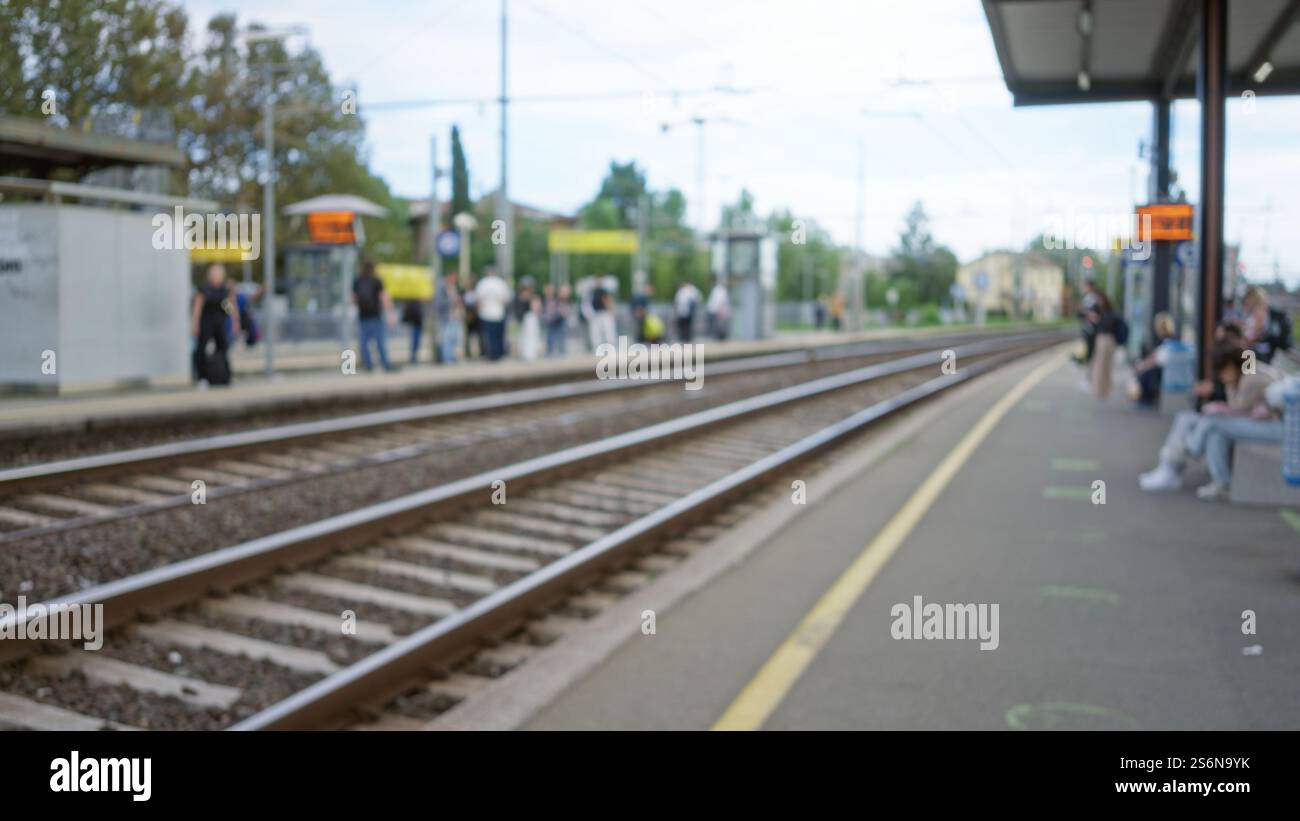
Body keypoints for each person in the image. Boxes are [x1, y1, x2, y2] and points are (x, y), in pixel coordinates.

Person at [1139, 345, 1278, 497]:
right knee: (1215, 433)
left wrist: (1218, 405)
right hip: (1262, 422)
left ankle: (1187, 450)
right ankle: (1221, 482)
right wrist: (1227, 390)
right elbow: (1238, 407)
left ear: (1232, 365)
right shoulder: (1246, 373)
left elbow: (1238, 408)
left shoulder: (1251, 378)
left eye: (1223, 370)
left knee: (1212, 421)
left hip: (1273, 426)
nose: (1221, 376)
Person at [191, 263, 240, 386]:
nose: (216, 276)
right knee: (201, 348)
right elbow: (198, 307)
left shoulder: (225, 289)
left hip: (220, 321)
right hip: (206, 321)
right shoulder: (204, 288)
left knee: (223, 347)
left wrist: (235, 321)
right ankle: (202, 377)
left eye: (218, 274)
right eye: (213, 273)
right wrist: (195, 324)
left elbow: (229, 306)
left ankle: (225, 375)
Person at [352, 259, 395, 372]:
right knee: (380, 342)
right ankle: (386, 365)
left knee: (363, 343)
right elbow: (384, 297)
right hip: (376, 315)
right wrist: (390, 314)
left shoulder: (357, 280)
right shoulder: (376, 280)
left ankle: (368, 365)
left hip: (363, 316)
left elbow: (354, 298)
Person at [1129, 311, 1175, 406]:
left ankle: (1144, 399)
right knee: (1141, 370)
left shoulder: (1166, 342)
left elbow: (1157, 359)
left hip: (1160, 371)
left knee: (1144, 374)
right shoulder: (1165, 341)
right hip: (1161, 369)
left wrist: (1142, 366)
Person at [1085, 286, 1118, 399]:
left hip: (1105, 340)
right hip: (1106, 340)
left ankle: (1100, 390)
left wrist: (1097, 320)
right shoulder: (1104, 311)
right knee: (1104, 366)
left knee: (1101, 366)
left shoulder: (1108, 313)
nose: (1098, 302)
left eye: (1099, 300)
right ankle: (1104, 390)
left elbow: (1107, 325)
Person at [474, 265, 511, 361]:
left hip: (486, 314)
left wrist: (478, 313)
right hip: (499, 313)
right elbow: (505, 300)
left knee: (490, 336)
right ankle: (499, 354)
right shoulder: (501, 283)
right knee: (499, 335)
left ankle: (491, 355)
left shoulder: (482, 283)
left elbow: (478, 300)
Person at [433, 272, 462, 364]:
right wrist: (452, 301)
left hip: (454, 317)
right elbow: (439, 303)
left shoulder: (453, 288)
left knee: (454, 338)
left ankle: (451, 356)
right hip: (446, 317)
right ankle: (447, 359)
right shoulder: (441, 288)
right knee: (446, 339)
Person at [588, 276, 616, 350]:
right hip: (596, 313)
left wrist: (611, 309)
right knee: (596, 332)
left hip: (604, 313)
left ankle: (610, 346)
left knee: (608, 330)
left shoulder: (604, 291)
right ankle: (597, 347)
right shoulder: (593, 292)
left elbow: (608, 300)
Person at [542, 284, 571, 356]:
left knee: (560, 336)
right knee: (551, 336)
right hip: (552, 320)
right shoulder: (550, 300)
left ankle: (561, 351)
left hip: (559, 319)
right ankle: (551, 351)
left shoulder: (559, 300)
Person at [462, 273, 481, 359]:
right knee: (468, 336)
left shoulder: (477, 291)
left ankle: (478, 352)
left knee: (477, 335)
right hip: (467, 315)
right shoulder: (463, 292)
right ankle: (468, 352)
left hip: (475, 315)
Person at [401, 299, 424, 365]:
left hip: (416, 318)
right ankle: (413, 357)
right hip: (413, 317)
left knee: (415, 340)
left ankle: (413, 357)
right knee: (414, 339)